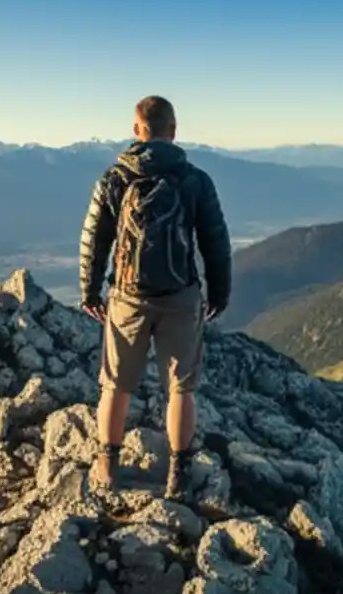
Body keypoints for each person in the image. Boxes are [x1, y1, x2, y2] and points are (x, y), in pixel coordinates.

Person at [78, 95, 232, 501]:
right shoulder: (195, 179)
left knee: (115, 385)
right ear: (174, 131)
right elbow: (215, 240)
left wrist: (89, 290)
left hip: (127, 296)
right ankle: (178, 476)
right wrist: (219, 292)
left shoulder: (114, 178)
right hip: (181, 296)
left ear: (136, 131)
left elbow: (95, 239)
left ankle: (107, 466)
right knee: (181, 388)